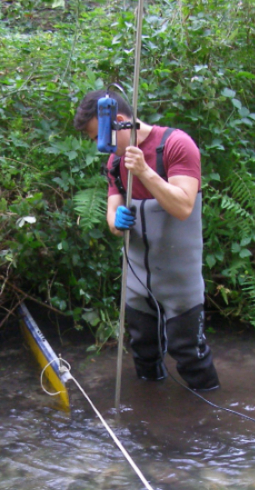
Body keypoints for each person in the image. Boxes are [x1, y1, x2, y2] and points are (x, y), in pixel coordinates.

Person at [73, 90, 220, 391]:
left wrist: (144, 171)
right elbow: (112, 214)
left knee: (189, 356)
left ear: (119, 121)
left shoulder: (176, 145)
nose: (100, 146)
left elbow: (183, 206)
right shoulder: (115, 161)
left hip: (180, 282)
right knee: (143, 354)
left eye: (99, 136)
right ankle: (149, 413)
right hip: (138, 281)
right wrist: (116, 222)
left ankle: (209, 415)